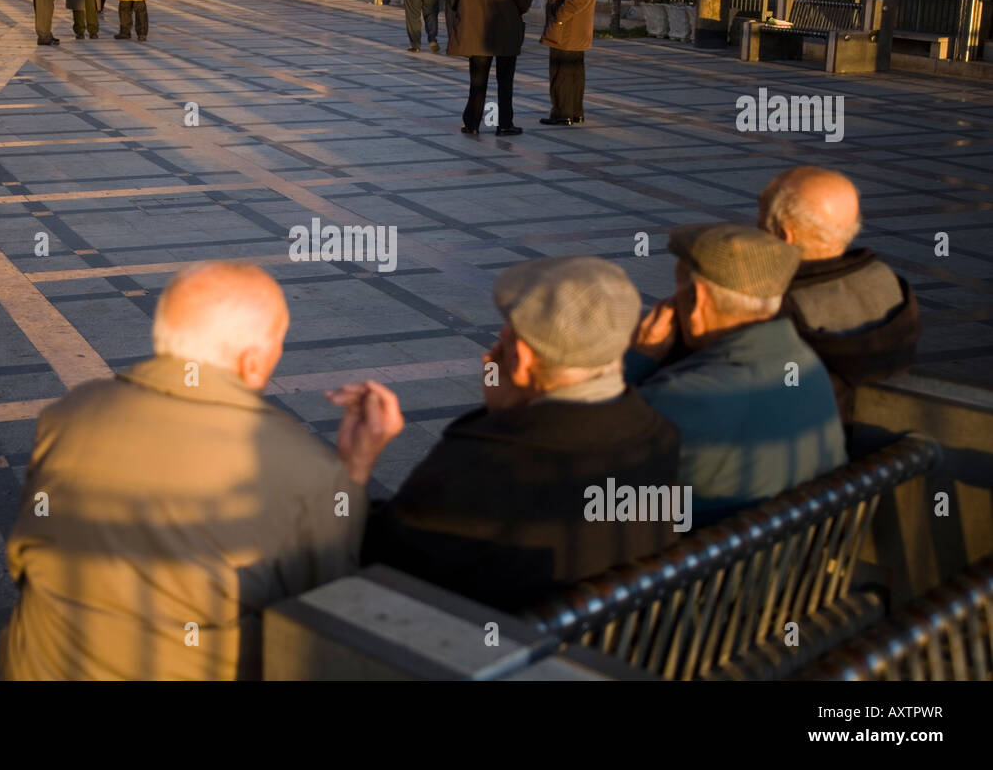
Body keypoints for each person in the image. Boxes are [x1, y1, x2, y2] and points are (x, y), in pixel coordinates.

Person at [0, 261, 393, 680]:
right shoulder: (303, 466)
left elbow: (28, 554)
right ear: (253, 360)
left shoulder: (71, 413)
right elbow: (326, 607)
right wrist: (353, 470)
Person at [358, 257, 680, 611]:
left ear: (523, 357)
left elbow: (374, 555)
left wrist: (357, 464)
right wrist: (507, 411)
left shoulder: (479, 466)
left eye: (504, 338)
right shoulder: (657, 431)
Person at [627, 223, 847, 526]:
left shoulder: (682, 396)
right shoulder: (805, 363)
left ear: (698, 300)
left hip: (702, 568)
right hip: (788, 557)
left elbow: (582, 454)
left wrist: (638, 358)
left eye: (678, 291)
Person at [758, 167, 921, 424]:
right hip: (883, 441)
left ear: (783, 235)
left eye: (760, 215)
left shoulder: (777, 309)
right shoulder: (889, 283)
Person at [448, 0, 530, 137]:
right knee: (505, 81)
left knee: (477, 81)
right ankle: (504, 124)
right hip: (505, 31)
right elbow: (525, 0)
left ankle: (472, 123)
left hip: (476, 32)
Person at [540, 0, 598, 127]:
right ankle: (574, 112)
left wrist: (559, 17)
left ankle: (562, 113)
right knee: (572, 72)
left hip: (568, 29)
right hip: (571, 29)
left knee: (562, 72)